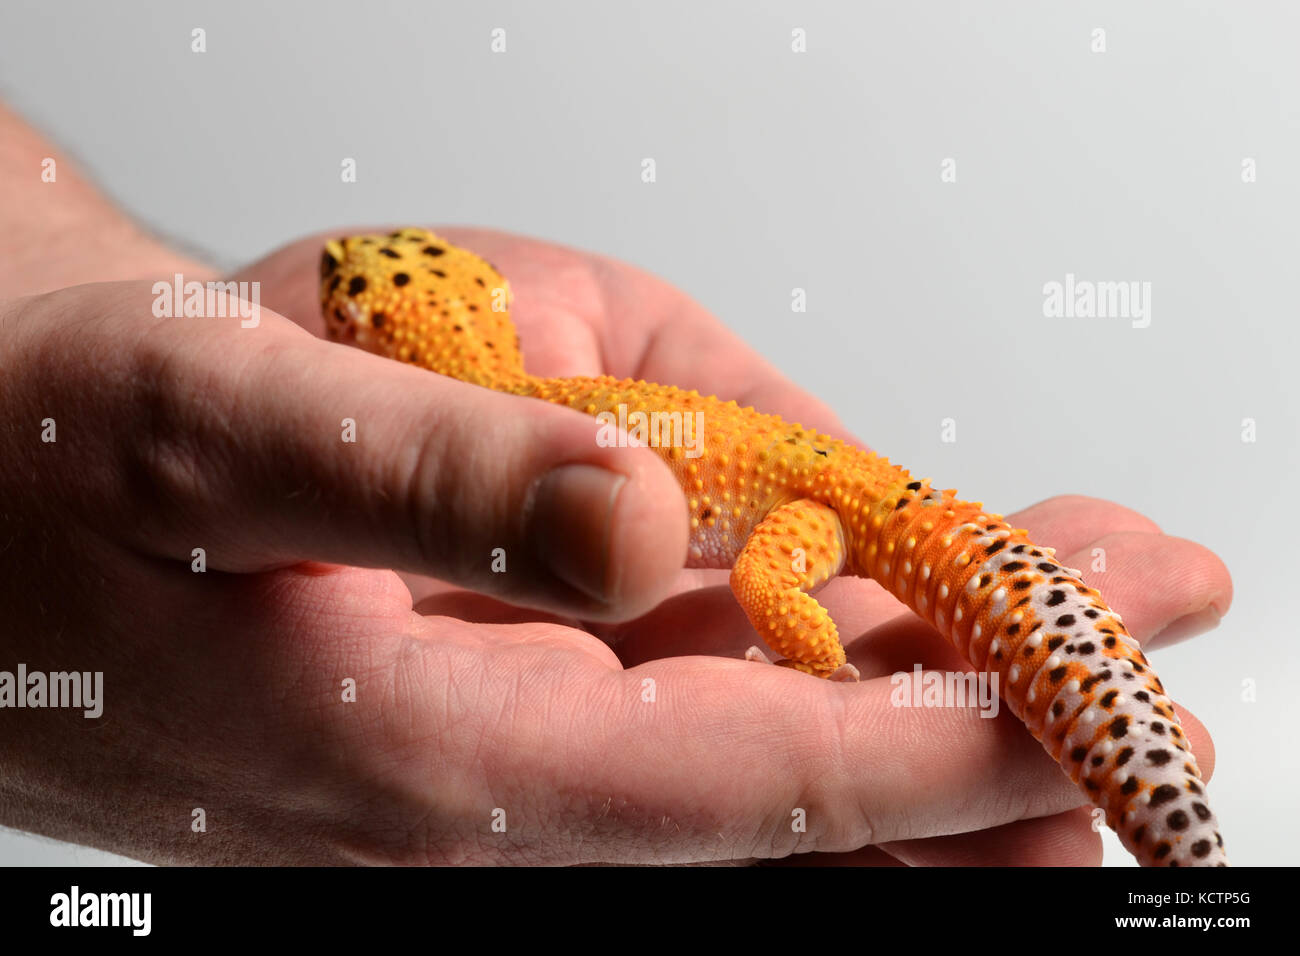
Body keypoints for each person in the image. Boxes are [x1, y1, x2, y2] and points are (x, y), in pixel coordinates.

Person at [0, 102, 1230, 865]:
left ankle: (839, 693)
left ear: (402, 340)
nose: (345, 297)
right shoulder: (515, 397)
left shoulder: (508, 408)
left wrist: (815, 667)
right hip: (858, 496)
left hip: (825, 511)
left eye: (353, 304)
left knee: (770, 580)